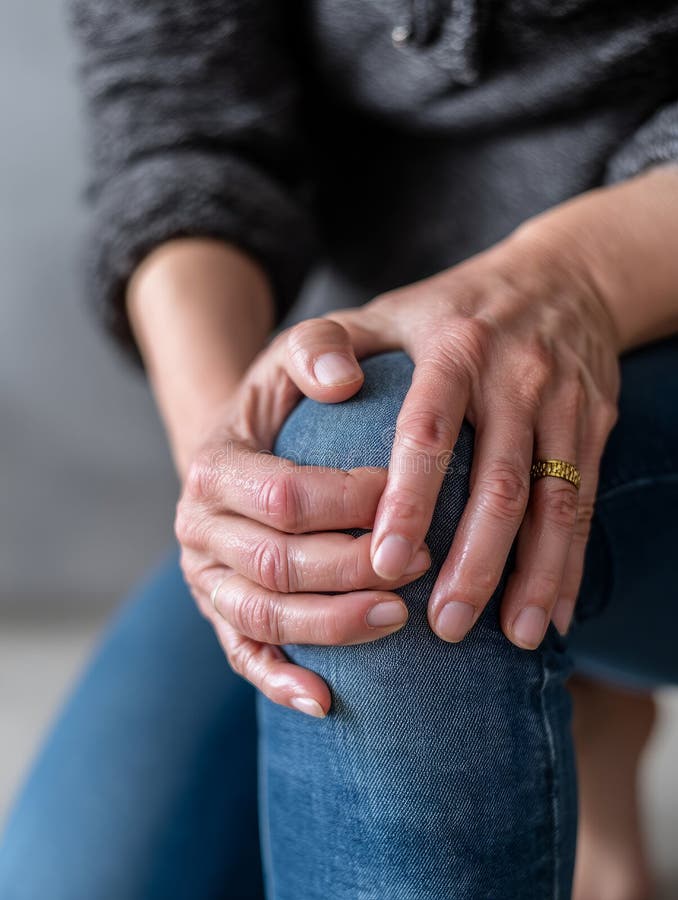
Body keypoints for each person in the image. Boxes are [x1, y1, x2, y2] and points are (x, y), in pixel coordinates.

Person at [1, 1, 677, 897]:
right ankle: (580, 718)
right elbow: (178, 124)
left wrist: (577, 279)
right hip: (390, 351)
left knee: (416, 487)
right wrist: (233, 477)